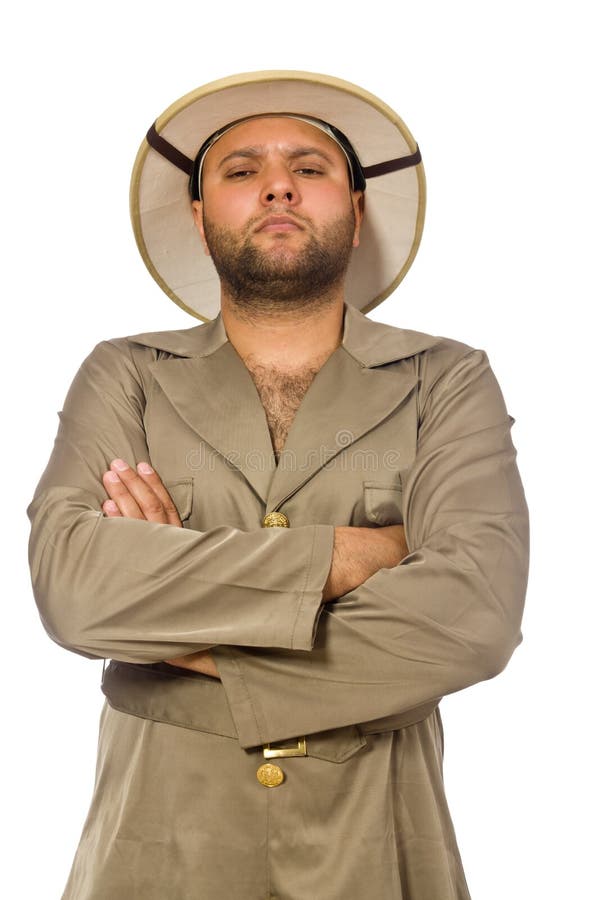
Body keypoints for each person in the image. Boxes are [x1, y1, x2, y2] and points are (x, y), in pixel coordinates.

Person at [27, 71, 529, 899]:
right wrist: (350, 554)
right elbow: (75, 592)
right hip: (154, 856)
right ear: (198, 217)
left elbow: (475, 617)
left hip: (379, 854)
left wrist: (181, 630)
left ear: (357, 211)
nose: (278, 185)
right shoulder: (125, 375)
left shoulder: (447, 378)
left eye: (311, 166)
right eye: (239, 170)